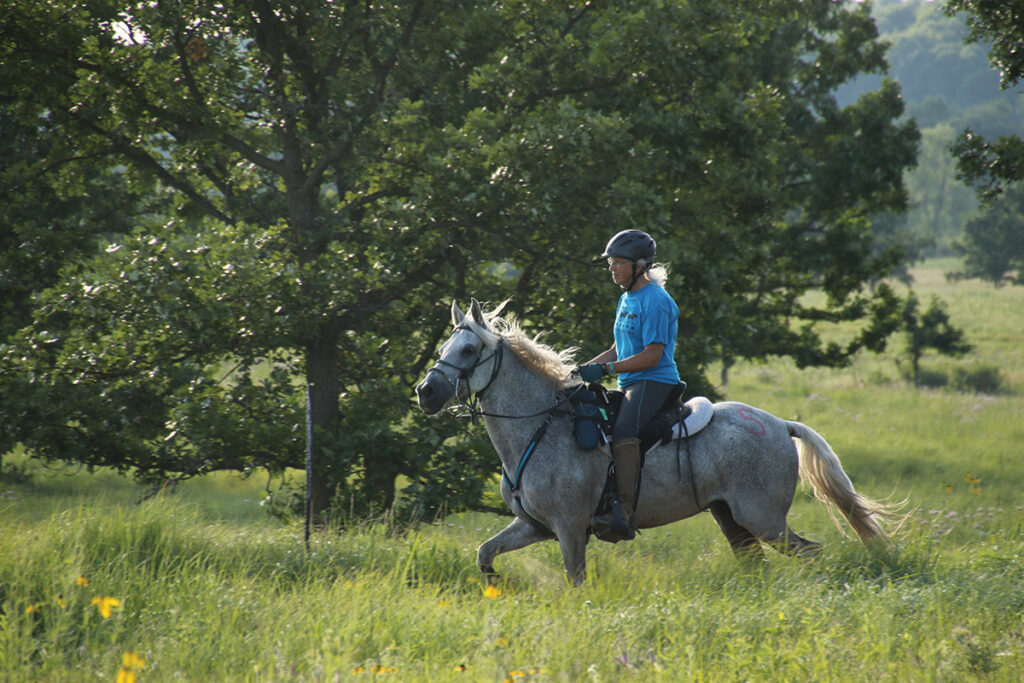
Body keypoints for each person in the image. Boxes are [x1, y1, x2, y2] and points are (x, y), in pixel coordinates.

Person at [577, 229, 680, 541]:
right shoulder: (626, 298)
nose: (612, 268)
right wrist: (578, 372)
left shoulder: (657, 301)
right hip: (631, 381)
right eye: (610, 262)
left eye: (618, 262)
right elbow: (618, 348)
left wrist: (607, 369)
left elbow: (651, 356)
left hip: (654, 381)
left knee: (623, 431)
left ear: (640, 266)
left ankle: (624, 512)